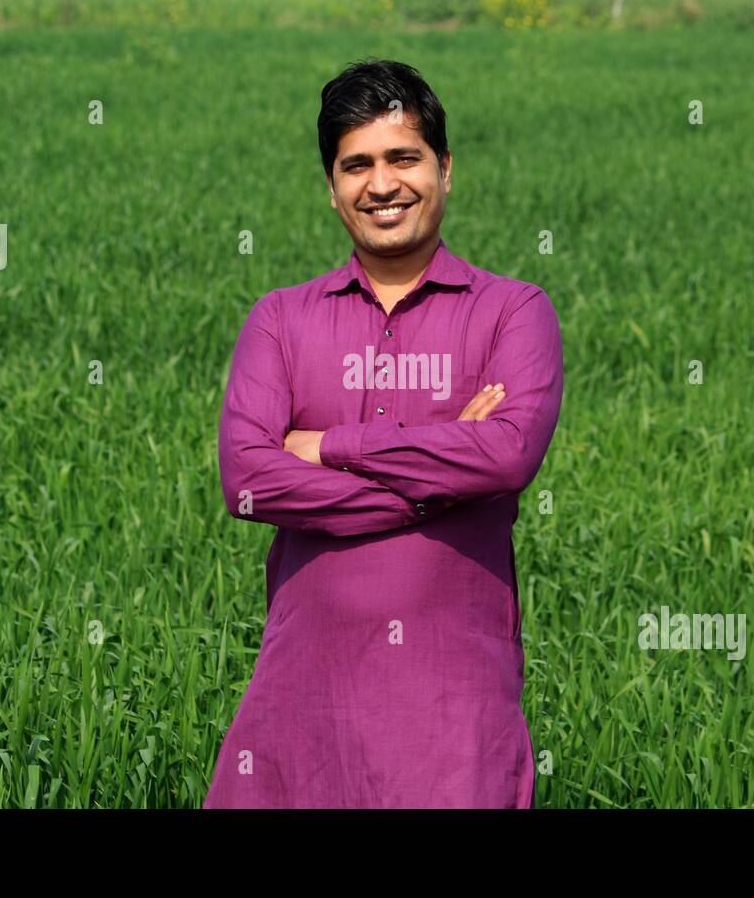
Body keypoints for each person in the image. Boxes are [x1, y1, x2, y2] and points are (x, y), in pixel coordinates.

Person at [203, 58, 563, 808]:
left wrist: (330, 445)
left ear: (445, 168)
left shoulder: (513, 311)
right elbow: (248, 480)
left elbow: (505, 453)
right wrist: (434, 486)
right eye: (356, 164)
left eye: (404, 157)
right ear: (331, 188)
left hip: (454, 711)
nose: (382, 184)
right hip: (302, 705)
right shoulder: (281, 319)